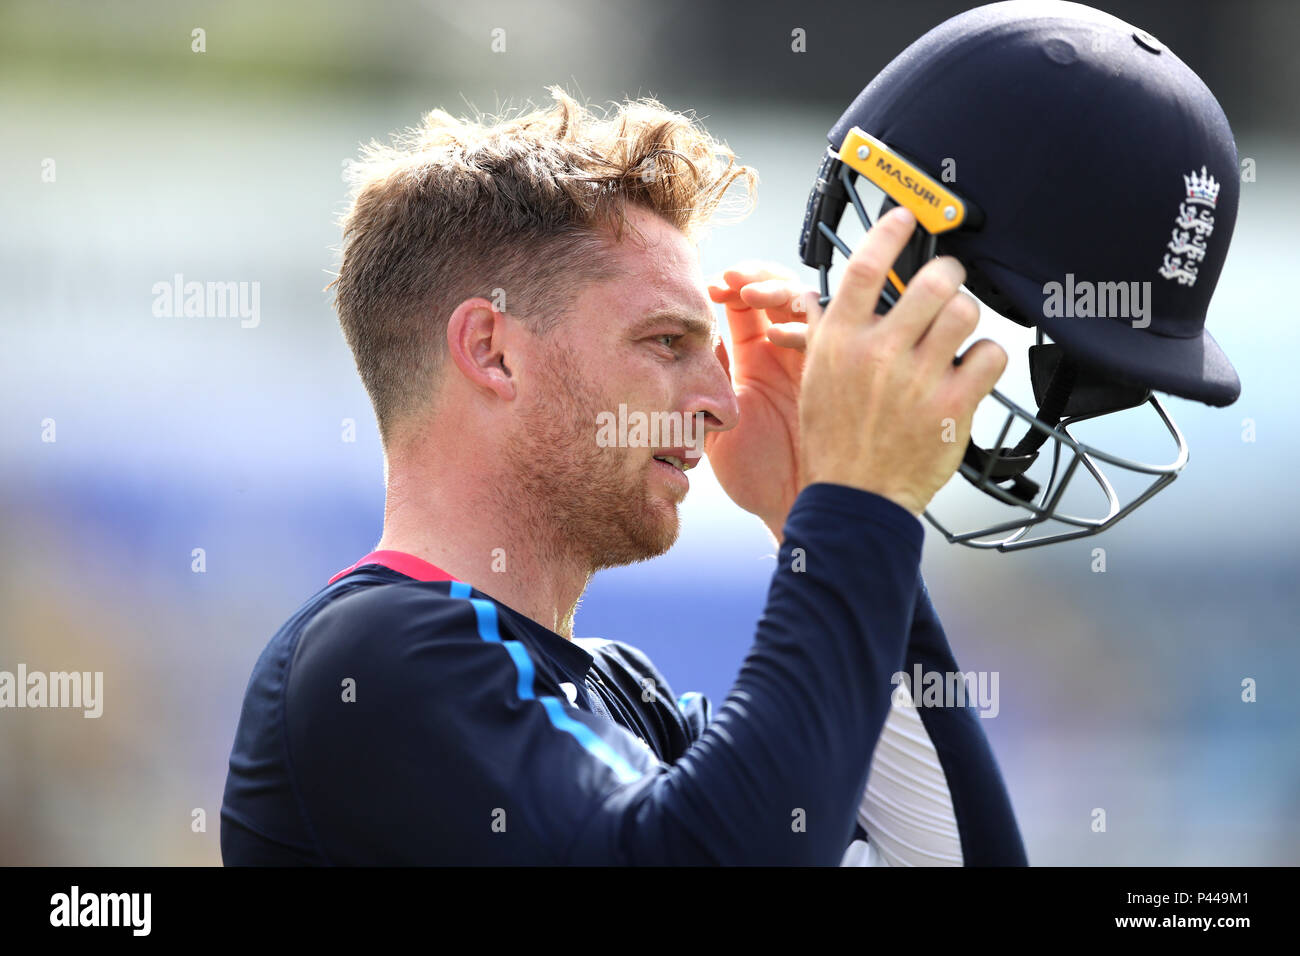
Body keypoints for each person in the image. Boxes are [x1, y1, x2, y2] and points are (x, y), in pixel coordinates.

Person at [220, 89, 1024, 865]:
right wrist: (856, 507)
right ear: (494, 352)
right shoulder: (376, 654)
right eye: (668, 341)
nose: (722, 403)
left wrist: (813, 501)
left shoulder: (624, 695)